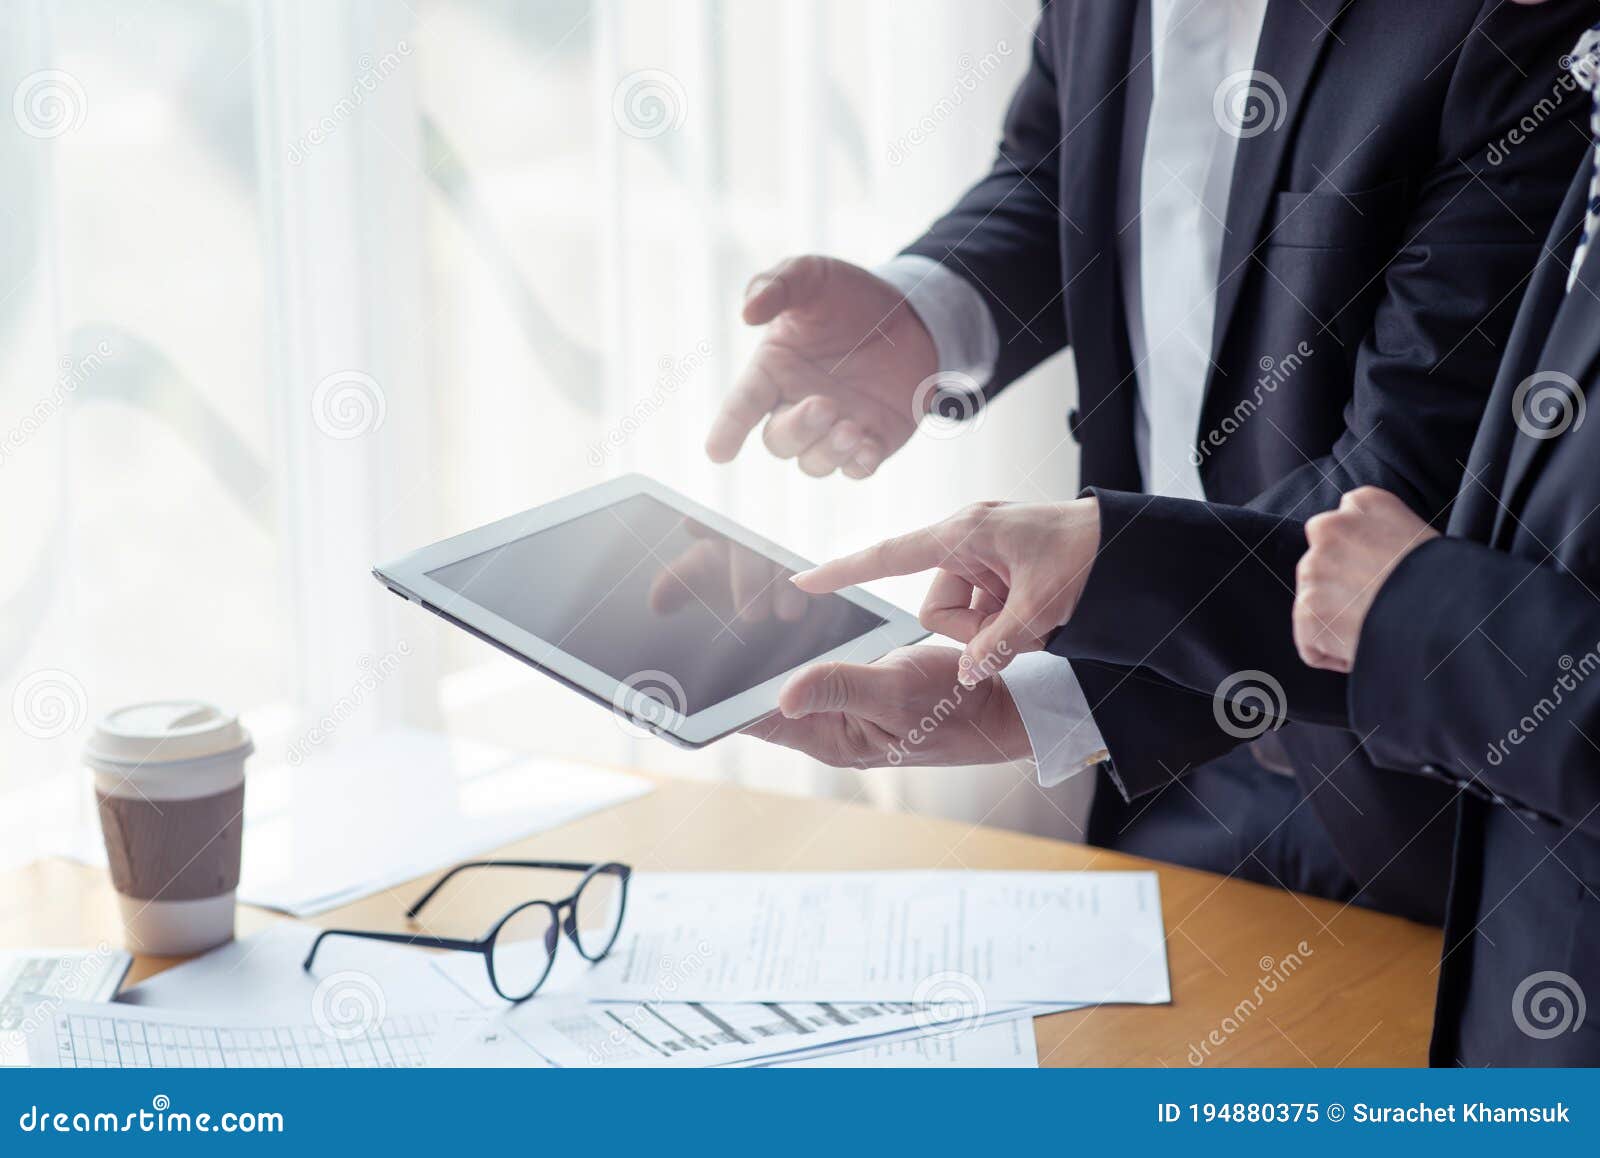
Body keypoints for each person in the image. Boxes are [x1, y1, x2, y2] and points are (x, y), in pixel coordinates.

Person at [783, 11, 1600, 1067]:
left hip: (1407, 806)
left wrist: (1089, 629)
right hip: (1162, 747)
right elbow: (1062, 167)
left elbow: (1402, 484)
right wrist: (928, 310)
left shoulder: (1506, 28)